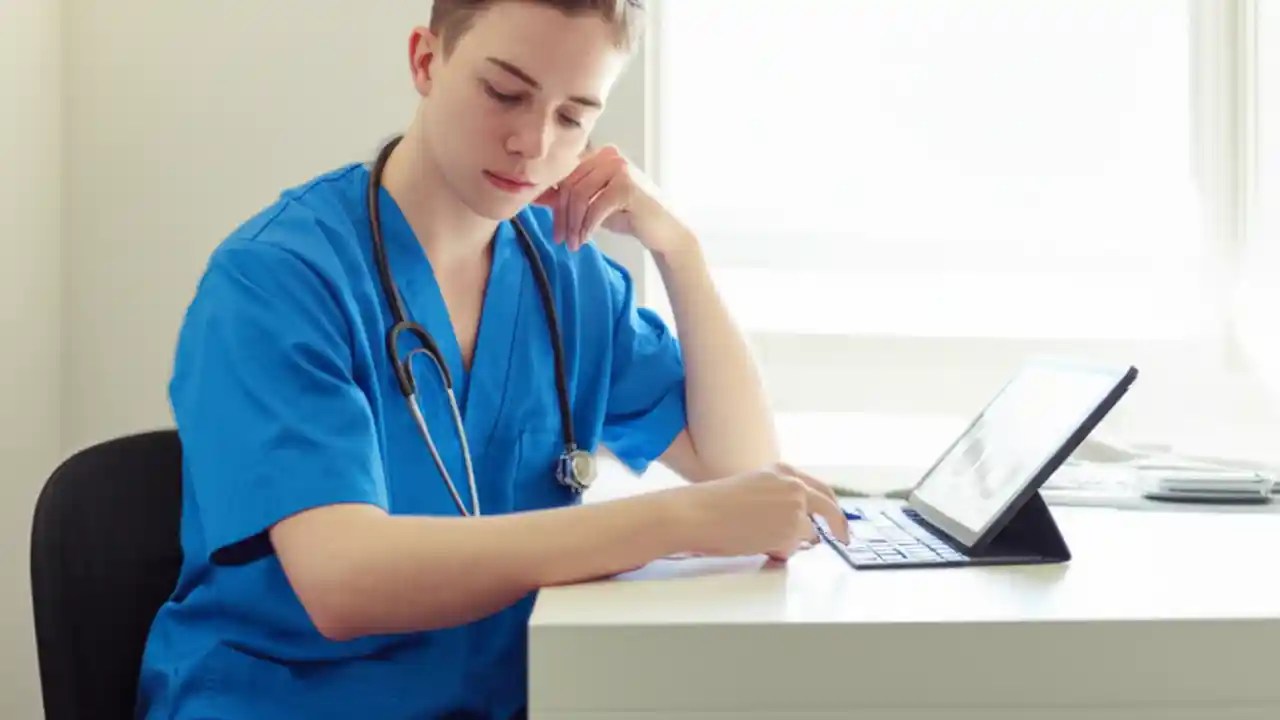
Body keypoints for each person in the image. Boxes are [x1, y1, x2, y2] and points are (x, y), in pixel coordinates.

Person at [135, 1, 851, 718]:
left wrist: (680, 251)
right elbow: (343, 582)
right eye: (504, 93)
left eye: (573, 117)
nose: (532, 142)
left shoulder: (568, 282)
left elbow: (740, 473)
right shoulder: (278, 278)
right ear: (426, 61)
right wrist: (676, 521)